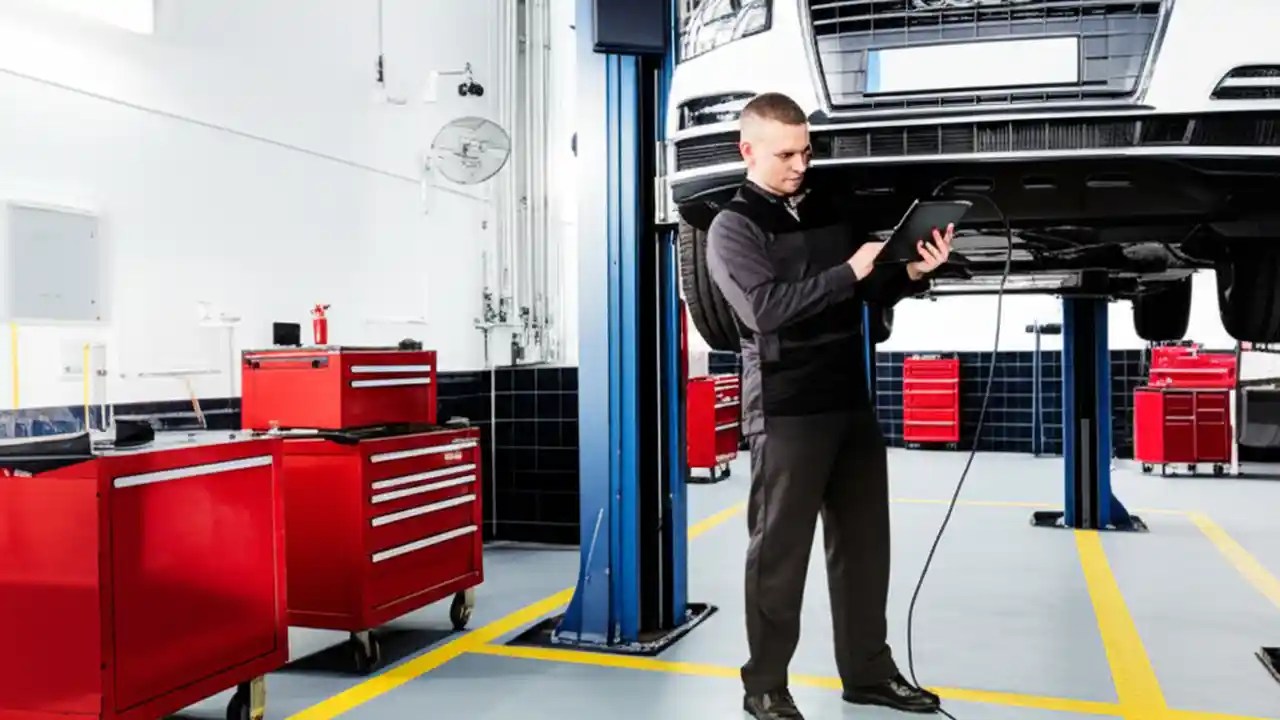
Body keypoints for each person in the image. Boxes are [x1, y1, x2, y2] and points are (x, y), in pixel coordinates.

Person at [704, 92, 954, 720]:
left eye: (806, 152)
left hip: (849, 403)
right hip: (787, 411)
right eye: (785, 153)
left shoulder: (826, 208)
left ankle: (868, 674)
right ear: (748, 150)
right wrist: (847, 271)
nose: (799, 165)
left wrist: (915, 272)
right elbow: (762, 311)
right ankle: (764, 684)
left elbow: (869, 285)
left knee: (866, 548)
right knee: (779, 556)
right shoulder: (732, 227)